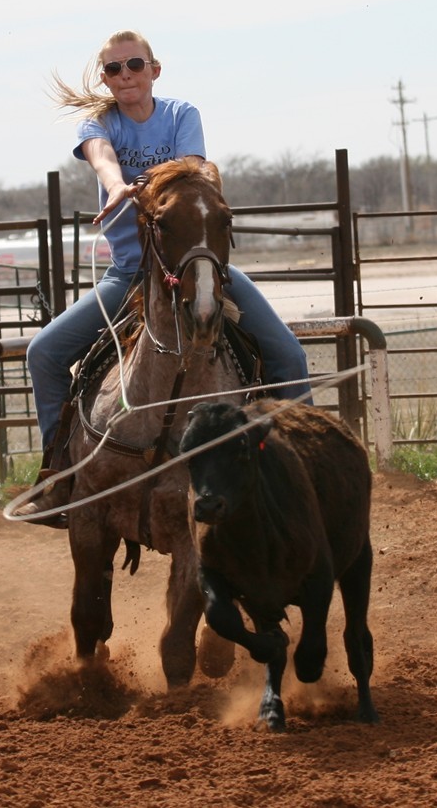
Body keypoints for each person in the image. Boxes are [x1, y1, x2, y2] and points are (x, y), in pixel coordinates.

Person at [18, 29, 311, 523]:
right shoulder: (97, 124)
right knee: (43, 353)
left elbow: (193, 167)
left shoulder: (181, 115)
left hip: (196, 265)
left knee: (287, 354)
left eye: (134, 65)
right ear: (106, 79)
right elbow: (103, 159)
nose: (125, 75)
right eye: (114, 69)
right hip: (131, 273)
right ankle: (61, 477)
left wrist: (146, 185)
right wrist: (115, 187)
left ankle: (300, 475)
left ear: (154, 70)